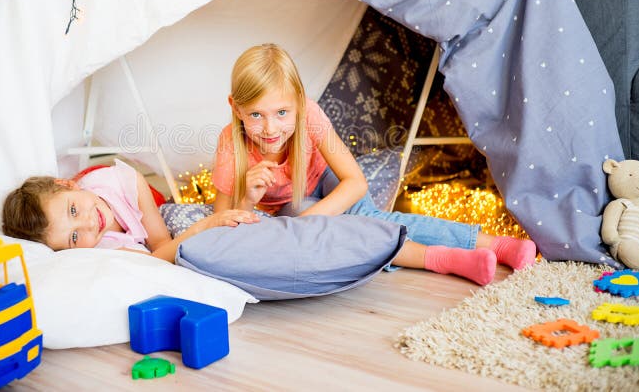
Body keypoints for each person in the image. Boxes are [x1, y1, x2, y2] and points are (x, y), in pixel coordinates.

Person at [211, 43, 537, 284]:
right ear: (236, 108)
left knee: (364, 217)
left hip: (322, 184)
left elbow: (355, 182)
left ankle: (496, 245)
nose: (270, 128)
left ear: (297, 103)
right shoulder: (231, 143)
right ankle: (451, 259)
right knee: (332, 228)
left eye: (282, 113)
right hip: (290, 210)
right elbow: (221, 226)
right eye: (256, 114)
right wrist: (248, 200)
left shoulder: (309, 114)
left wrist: (310, 219)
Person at [3, 160, 506, 286]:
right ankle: (457, 255)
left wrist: (224, 213)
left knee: (351, 216)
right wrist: (212, 224)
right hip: (192, 228)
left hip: (185, 218)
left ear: (69, 186)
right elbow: (164, 252)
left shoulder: (116, 177)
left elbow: (160, 234)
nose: (86, 226)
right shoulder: (102, 247)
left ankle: (469, 250)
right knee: (307, 234)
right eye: (73, 237)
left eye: (75, 211)